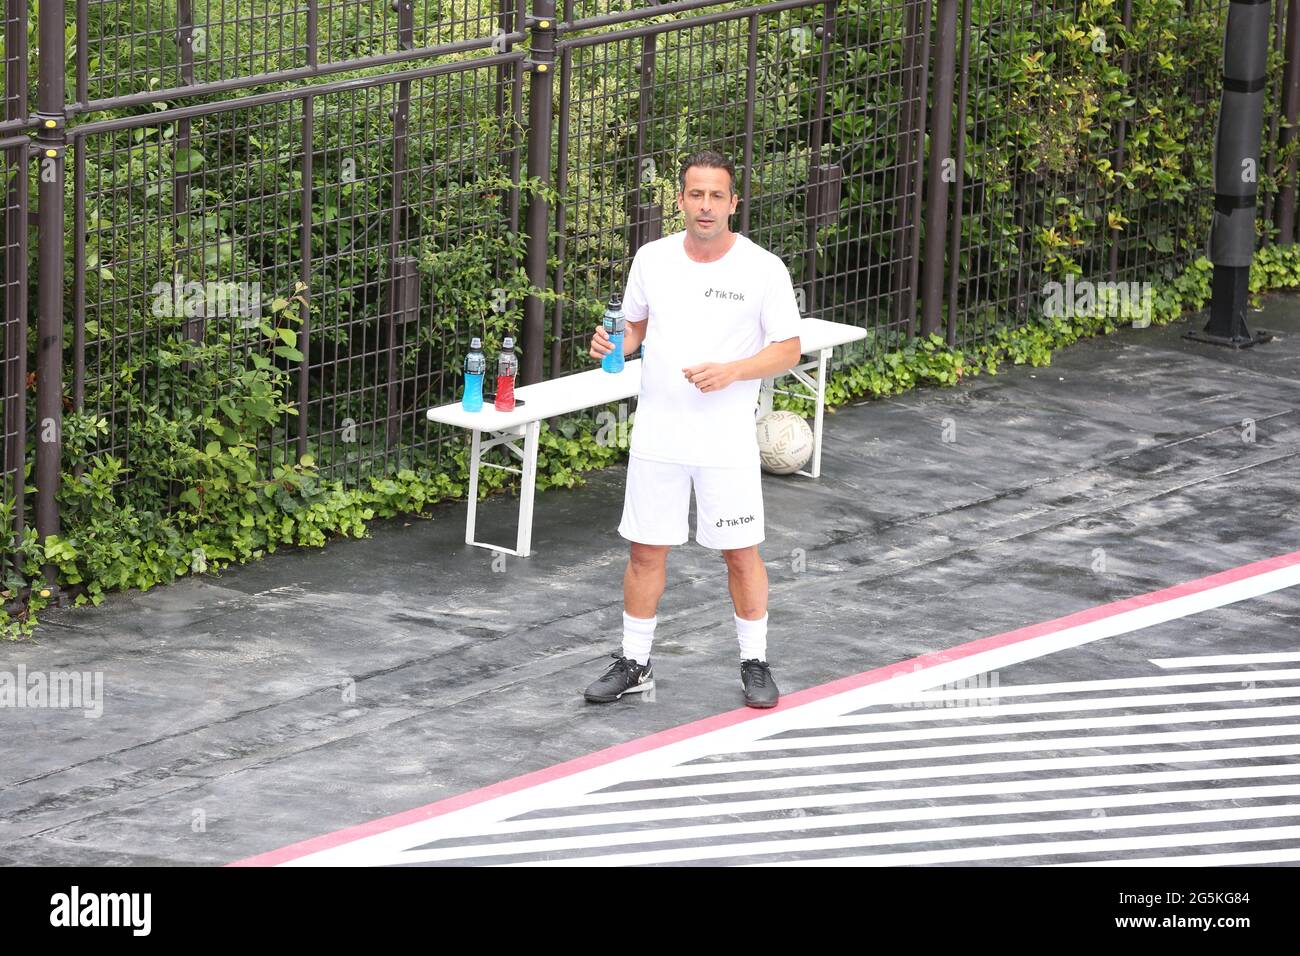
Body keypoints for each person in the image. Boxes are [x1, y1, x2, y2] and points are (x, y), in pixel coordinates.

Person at [584, 149, 803, 709]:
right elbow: (634, 326)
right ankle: (635, 662)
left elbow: (787, 348)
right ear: (680, 200)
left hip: (724, 441)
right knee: (645, 552)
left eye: (716, 196)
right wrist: (615, 344)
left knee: (740, 553)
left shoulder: (763, 268)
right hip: (658, 435)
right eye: (695, 194)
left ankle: (754, 663)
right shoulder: (651, 259)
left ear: (734, 203)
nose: (705, 206)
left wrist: (732, 371)